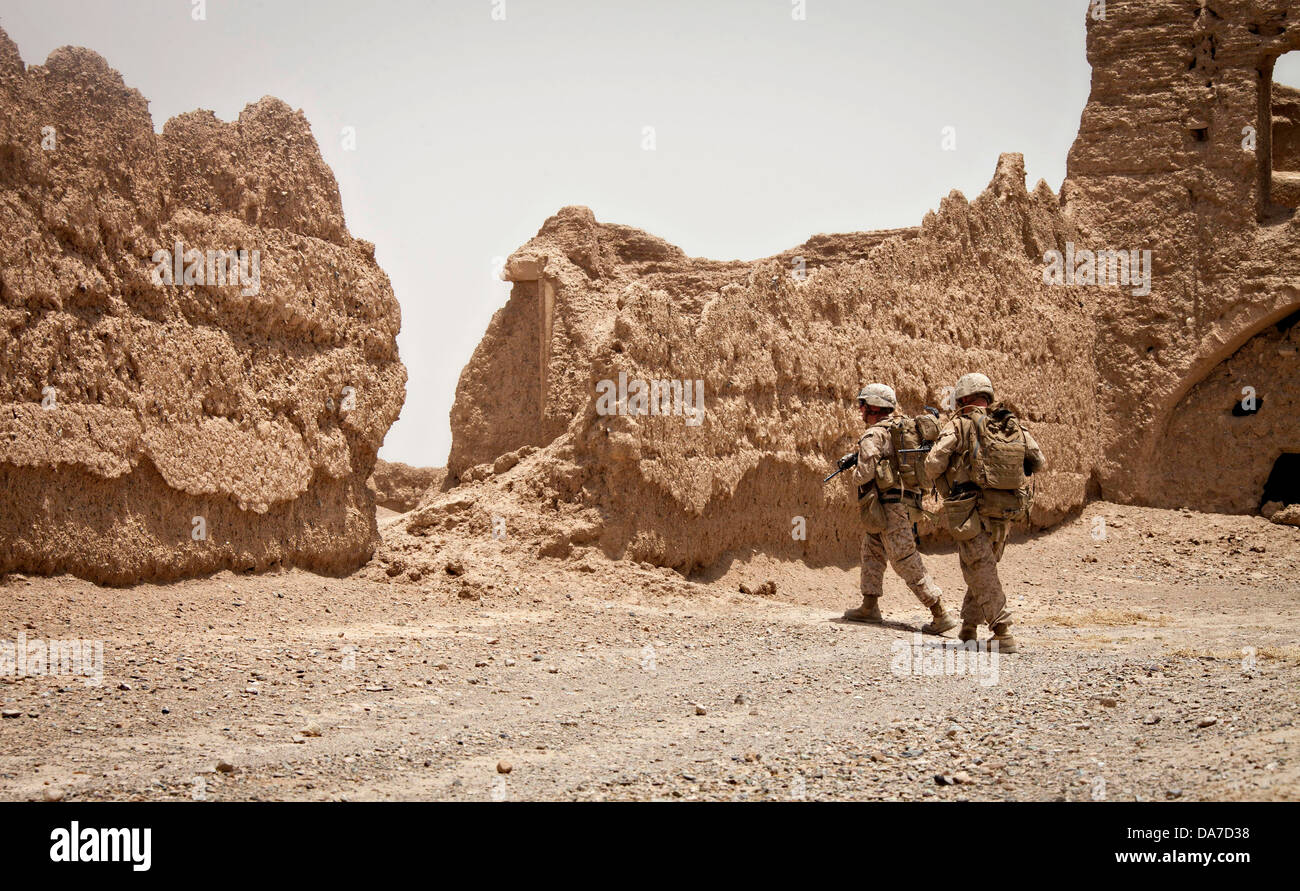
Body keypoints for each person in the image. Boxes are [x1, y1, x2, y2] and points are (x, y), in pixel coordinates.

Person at [924, 373, 1045, 653]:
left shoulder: (961, 424)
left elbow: (933, 463)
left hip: (970, 510)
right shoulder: (1009, 425)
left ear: (963, 398)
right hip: (1005, 511)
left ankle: (1002, 632)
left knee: (980, 569)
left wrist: (948, 488)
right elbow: (1038, 462)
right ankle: (969, 627)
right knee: (981, 566)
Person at [842, 383, 957, 635]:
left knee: (904, 558)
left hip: (889, 505)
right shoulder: (899, 430)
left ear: (873, 407)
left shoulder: (874, 434)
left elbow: (864, 474)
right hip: (901, 502)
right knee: (872, 549)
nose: (860, 410)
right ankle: (869, 606)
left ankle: (939, 612)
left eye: (863, 405)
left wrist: (856, 470)